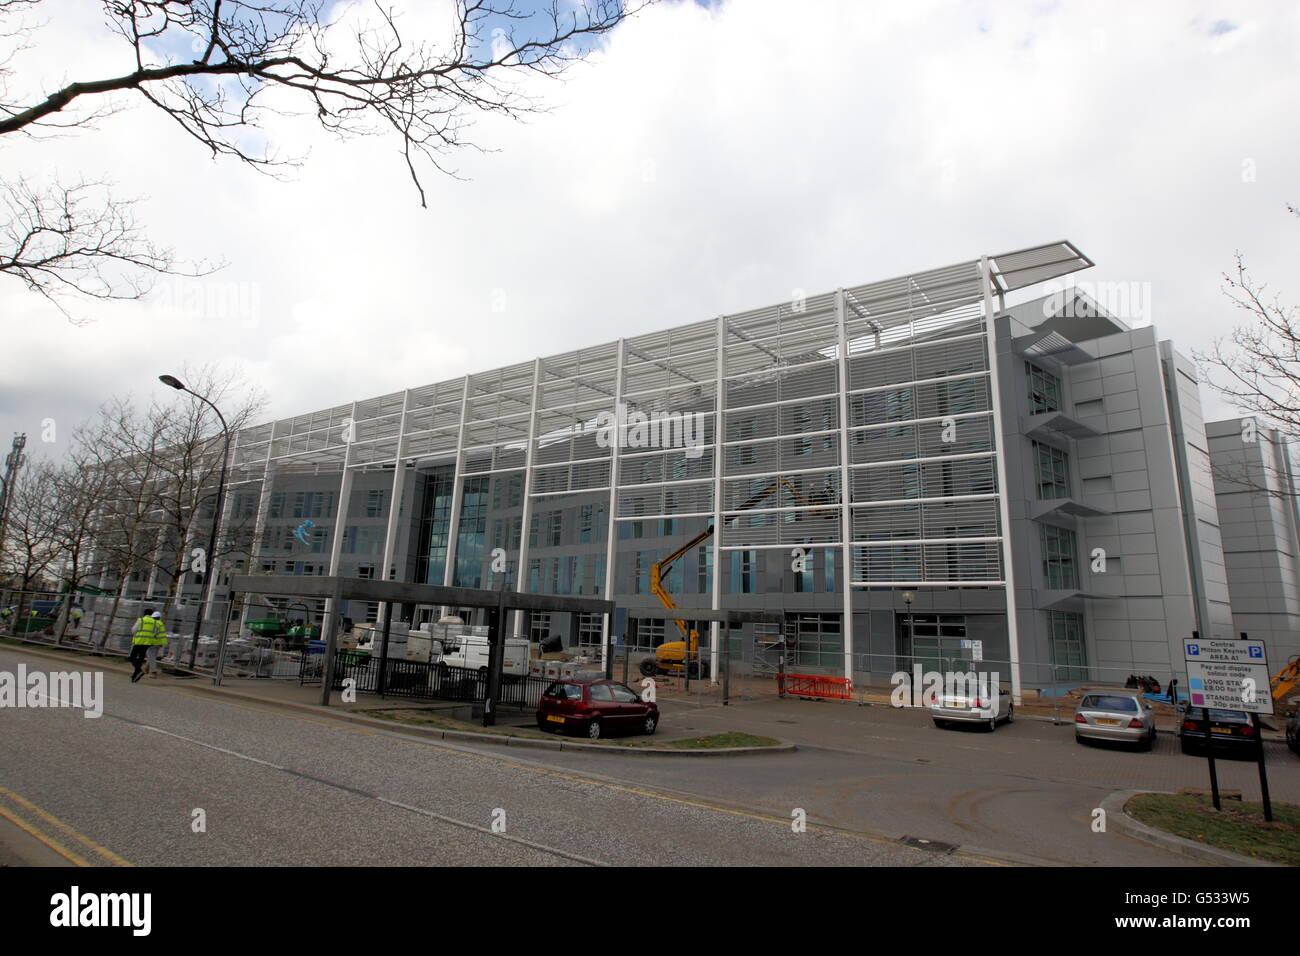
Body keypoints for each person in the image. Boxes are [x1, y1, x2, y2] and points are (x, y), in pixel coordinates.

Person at [129, 609, 168, 682]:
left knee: (132, 657)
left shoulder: (141, 620)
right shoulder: (155, 623)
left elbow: (133, 630)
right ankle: (136, 675)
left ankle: (140, 670)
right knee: (141, 658)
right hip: (148, 643)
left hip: (139, 641)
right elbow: (155, 633)